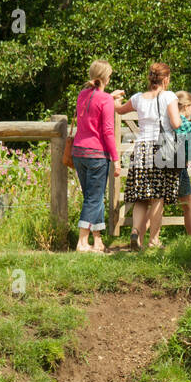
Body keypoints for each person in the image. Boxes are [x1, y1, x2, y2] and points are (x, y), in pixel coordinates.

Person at [114, 62, 182, 249]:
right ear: (166, 79)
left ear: (149, 78)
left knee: (141, 198)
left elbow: (119, 110)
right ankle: (154, 240)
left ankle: (136, 231)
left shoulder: (137, 98)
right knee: (158, 198)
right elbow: (176, 123)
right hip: (161, 149)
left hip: (141, 149)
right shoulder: (169, 96)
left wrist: (115, 100)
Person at [70, 60, 122, 253]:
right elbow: (108, 131)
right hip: (97, 155)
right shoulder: (106, 99)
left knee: (93, 197)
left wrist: (109, 96)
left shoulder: (82, 94)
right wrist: (116, 159)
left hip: (79, 153)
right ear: (106, 77)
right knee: (94, 198)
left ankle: (97, 240)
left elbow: (94, 102)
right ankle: (82, 242)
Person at [174, 91, 191, 236]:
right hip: (180, 167)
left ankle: (150, 238)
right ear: (187, 106)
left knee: (158, 203)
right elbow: (189, 153)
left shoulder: (167, 120)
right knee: (188, 204)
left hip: (164, 165)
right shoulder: (188, 125)